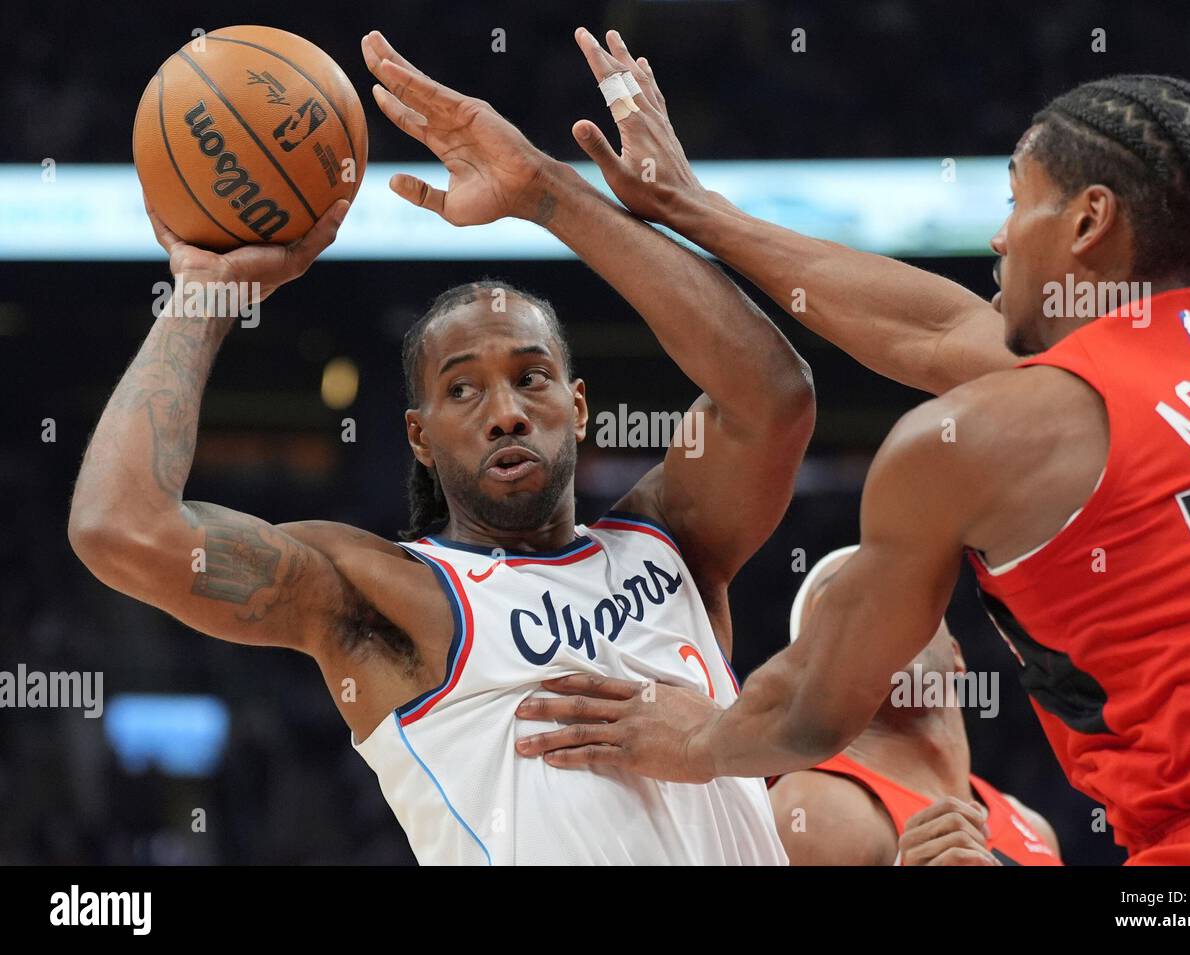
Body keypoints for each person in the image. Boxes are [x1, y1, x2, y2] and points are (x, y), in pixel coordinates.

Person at [516, 31, 1190, 864]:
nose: (1000, 239)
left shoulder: (978, 438)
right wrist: (687, 205)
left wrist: (695, 737)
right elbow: (932, 326)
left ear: (1088, 220)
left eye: (1015, 200)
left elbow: (809, 713)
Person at [67, 30, 814, 865]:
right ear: (418, 436)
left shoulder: (672, 541)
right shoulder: (388, 599)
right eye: (462, 389)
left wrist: (547, 192)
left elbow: (773, 396)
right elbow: (119, 527)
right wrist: (206, 294)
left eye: (532, 379)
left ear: (578, 407)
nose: (505, 412)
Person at [768, 548, 1061, 865]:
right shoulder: (811, 807)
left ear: (955, 654)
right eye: (841, 600)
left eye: (900, 590)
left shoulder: (1034, 829)